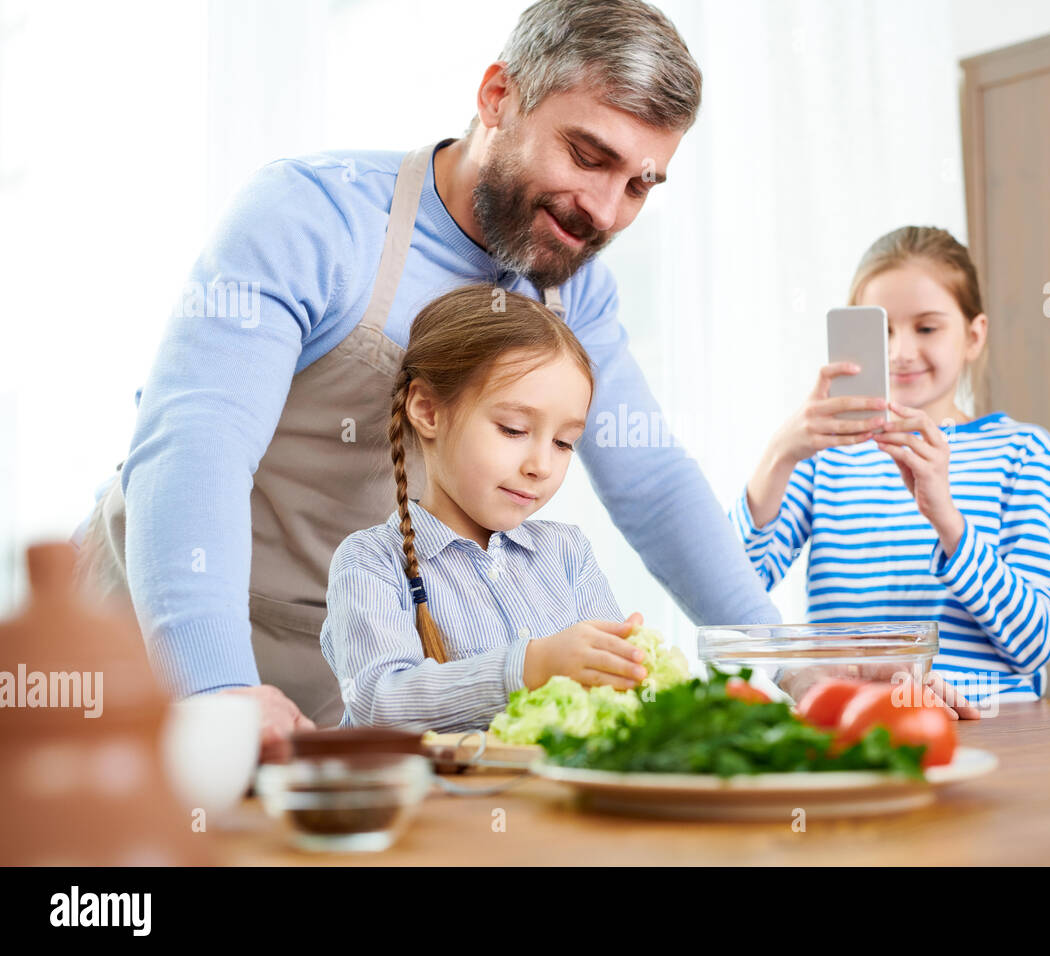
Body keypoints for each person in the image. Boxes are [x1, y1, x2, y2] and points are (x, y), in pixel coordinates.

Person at [75, 0, 779, 761]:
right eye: (587, 155)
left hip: (336, 682)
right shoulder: (316, 217)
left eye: (641, 185)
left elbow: (654, 484)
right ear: (497, 97)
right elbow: (196, 445)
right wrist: (213, 691)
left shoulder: (573, 289)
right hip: (147, 645)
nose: (606, 211)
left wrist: (793, 666)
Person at [732, 226, 1050, 710]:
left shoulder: (1023, 451)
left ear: (973, 337)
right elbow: (733, 590)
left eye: (927, 328)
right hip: (851, 727)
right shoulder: (823, 455)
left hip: (993, 728)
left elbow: (1034, 643)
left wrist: (946, 518)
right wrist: (779, 455)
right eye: (881, 330)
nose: (901, 352)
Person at [322, 284, 649, 730]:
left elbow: (613, 696)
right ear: (428, 411)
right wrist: (527, 668)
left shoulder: (568, 553)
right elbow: (380, 705)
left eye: (563, 442)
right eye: (513, 429)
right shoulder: (371, 562)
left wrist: (629, 666)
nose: (541, 465)